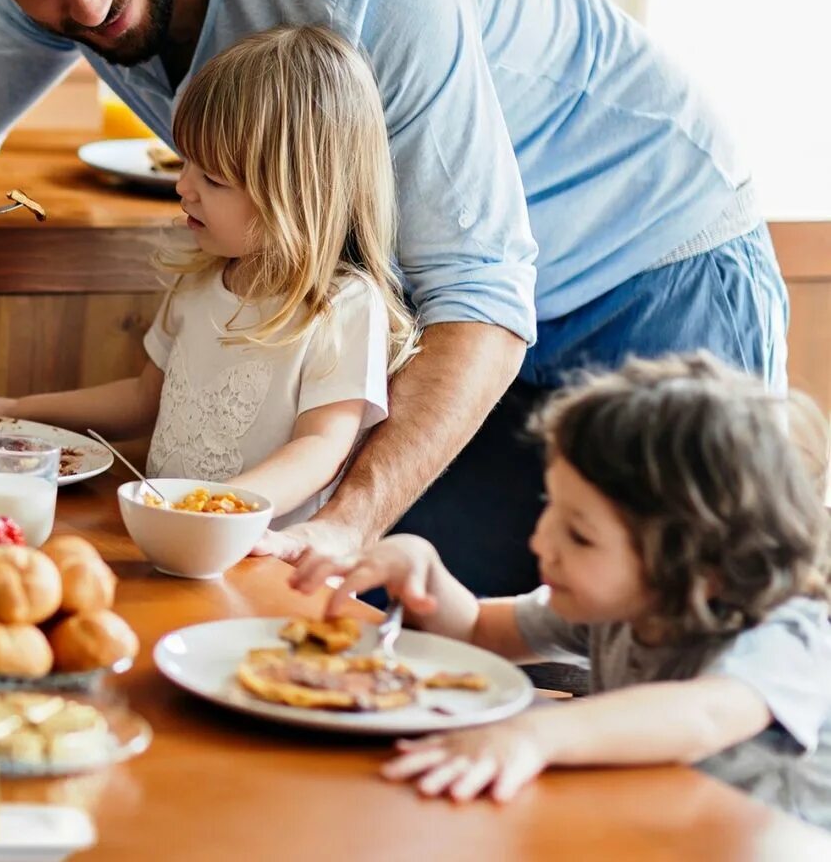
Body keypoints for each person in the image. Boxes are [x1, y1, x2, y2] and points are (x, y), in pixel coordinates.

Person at [0, 0, 788, 596]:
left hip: (651, 270)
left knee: (671, 644)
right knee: (400, 635)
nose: (84, 3)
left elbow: (484, 297)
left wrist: (351, 518)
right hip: (441, 324)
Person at [289, 354, 831, 827]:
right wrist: (425, 572)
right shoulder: (615, 602)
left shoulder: (783, 635)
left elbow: (703, 716)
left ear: (701, 565)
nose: (540, 540)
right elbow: (480, 632)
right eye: (553, 508)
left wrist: (536, 735)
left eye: (580, 534)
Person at [0, 25, 414, 522]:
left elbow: (321, 448)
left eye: (212, 178)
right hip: (166, 536)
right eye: (185, 162)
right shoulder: (199, 279)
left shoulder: (343, 306)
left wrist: (215, 510)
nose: (183, 186)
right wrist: (18, 409)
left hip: (257, 562)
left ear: (300, 195)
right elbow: (140, 399)